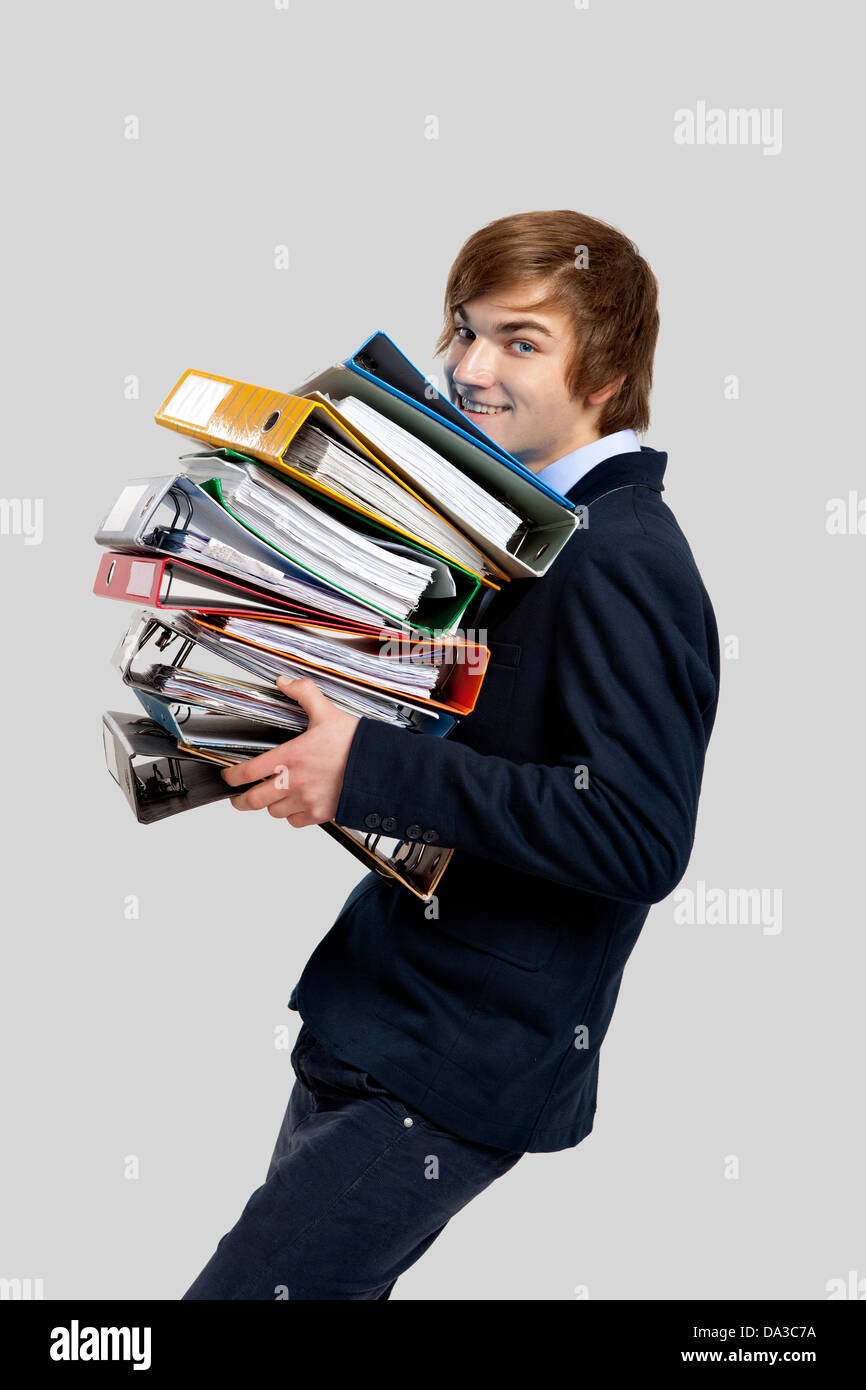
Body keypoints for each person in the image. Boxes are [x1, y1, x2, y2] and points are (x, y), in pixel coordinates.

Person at [182, 209, 720, 1300]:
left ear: (606, 375)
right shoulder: (519, 530)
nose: (469, 368)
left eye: (519, 341)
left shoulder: (624, 560)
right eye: (464, 332)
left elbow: (638, 833)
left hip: (454, 1065)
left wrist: (369, 768)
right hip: (372, 1011)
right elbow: (485, 754)